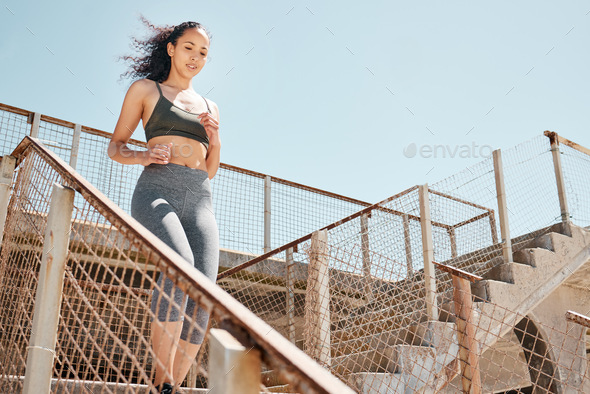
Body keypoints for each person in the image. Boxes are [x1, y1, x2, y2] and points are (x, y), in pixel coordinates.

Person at [107, 17, 220, 394]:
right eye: (189, 47)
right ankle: (162, 380)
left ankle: (171, 386)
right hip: (158, 188)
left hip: (199, 196)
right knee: (178, 268)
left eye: (203, 52)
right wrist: (142, 154)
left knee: (204, 294)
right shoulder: (145, 89)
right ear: (171, 49)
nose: (195, 57)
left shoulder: (209, 105)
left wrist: (215, 139)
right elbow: (116, 146)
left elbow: (210, 170)